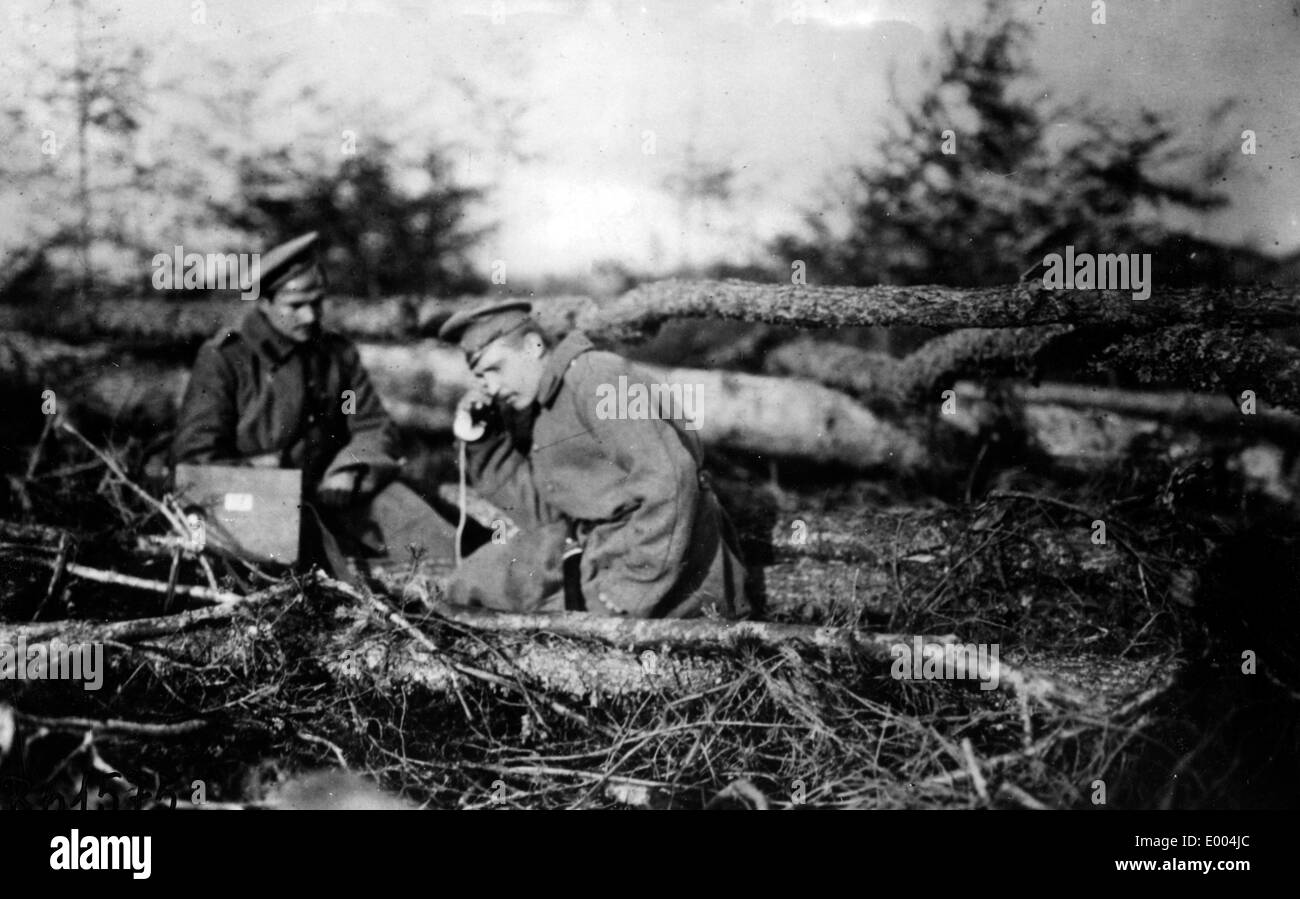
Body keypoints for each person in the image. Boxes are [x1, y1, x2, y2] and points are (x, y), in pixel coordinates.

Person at [172, 231, 458, 581]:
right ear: (264, 303)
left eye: (317, 302)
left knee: (434, 541)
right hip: (262, 503)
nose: (310, 316)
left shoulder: (336, 355)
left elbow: (369, 424)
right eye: (295, 306)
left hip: (337, 494)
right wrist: (256, 468)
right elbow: (195, 458)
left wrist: (350, 467)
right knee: (297, 578)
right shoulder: (227, 360)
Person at [437, 300, 751, 618]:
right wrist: (484, 443)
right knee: (474, 580)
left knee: (549, 628)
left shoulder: (598, 378)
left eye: (494, 369)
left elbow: (670, 480)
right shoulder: (545, 401)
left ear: (533, 346)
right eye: (480, 377)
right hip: (600, 546)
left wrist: (634, 587)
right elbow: (545, 514)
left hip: (664, 559)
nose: (490, 388)